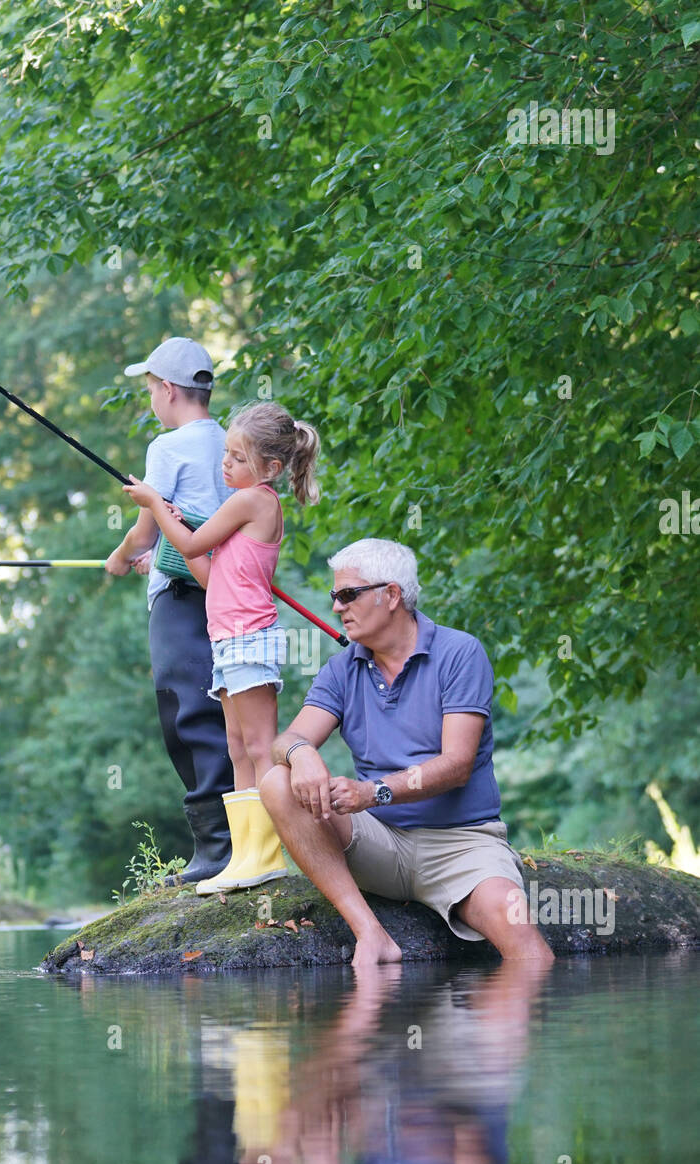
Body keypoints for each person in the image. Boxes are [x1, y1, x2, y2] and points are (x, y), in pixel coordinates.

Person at [260, 538, 555, 969]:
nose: (338, 607)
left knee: (531, 958)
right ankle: (372, 934)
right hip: (377, 844)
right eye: (334, 597)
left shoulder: (460, 653)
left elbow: (456, 766)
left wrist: (371, 793)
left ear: (392, 594)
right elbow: (284, 741)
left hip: (463, 847)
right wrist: (302, 753)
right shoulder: (341, 669)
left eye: (348, 595)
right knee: (277, 781)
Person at [123, 401, 320, 894]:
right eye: (225, 454)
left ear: (270, 468)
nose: (224, 464)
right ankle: (244, 855)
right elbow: (209, 575)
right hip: (227, 641)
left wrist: (154, 505)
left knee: (259, 747)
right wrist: (170, 534)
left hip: (250, 640)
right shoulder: (242, 508)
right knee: (236, 748)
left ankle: (270, 854)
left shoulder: (253, 501)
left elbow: (192, 544)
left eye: (235, 457)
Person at [105, 337, 234, 884]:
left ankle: (216, 850)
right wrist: (155, 558)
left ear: (169, 390)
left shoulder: (167, 446)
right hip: (221, 593)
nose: (151, 400)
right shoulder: (229, 442)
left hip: (180, 603)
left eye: (152, 389)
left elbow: (149, 527)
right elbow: (199, 526)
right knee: (217, 708)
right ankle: (234, 840)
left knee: (186, 715)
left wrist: (121, 556)